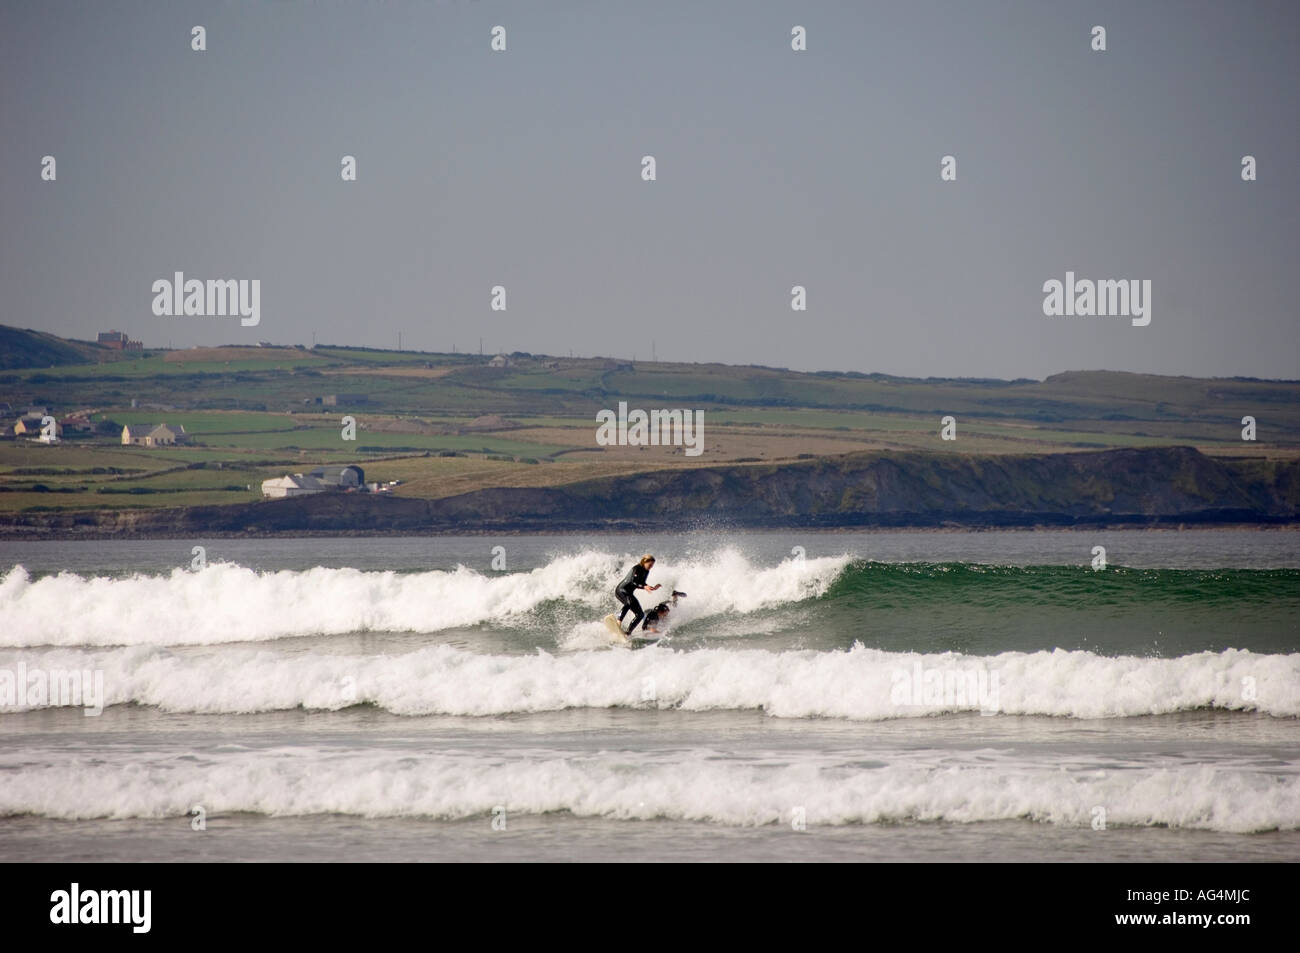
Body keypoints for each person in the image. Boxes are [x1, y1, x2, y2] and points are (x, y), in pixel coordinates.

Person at [615, 554, 661, 635]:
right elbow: (634, 582)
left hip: (629, 593)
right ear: (644, 562)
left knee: (640, 615)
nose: (651, 567)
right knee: (628, 602)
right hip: (621, 590)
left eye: (652, 565)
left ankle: (628, 633)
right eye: (650, 565)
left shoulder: (646, 571)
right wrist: (644, 586)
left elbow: (641, 583)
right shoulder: (637, 568)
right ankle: (618, 622)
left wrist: (651, 587)